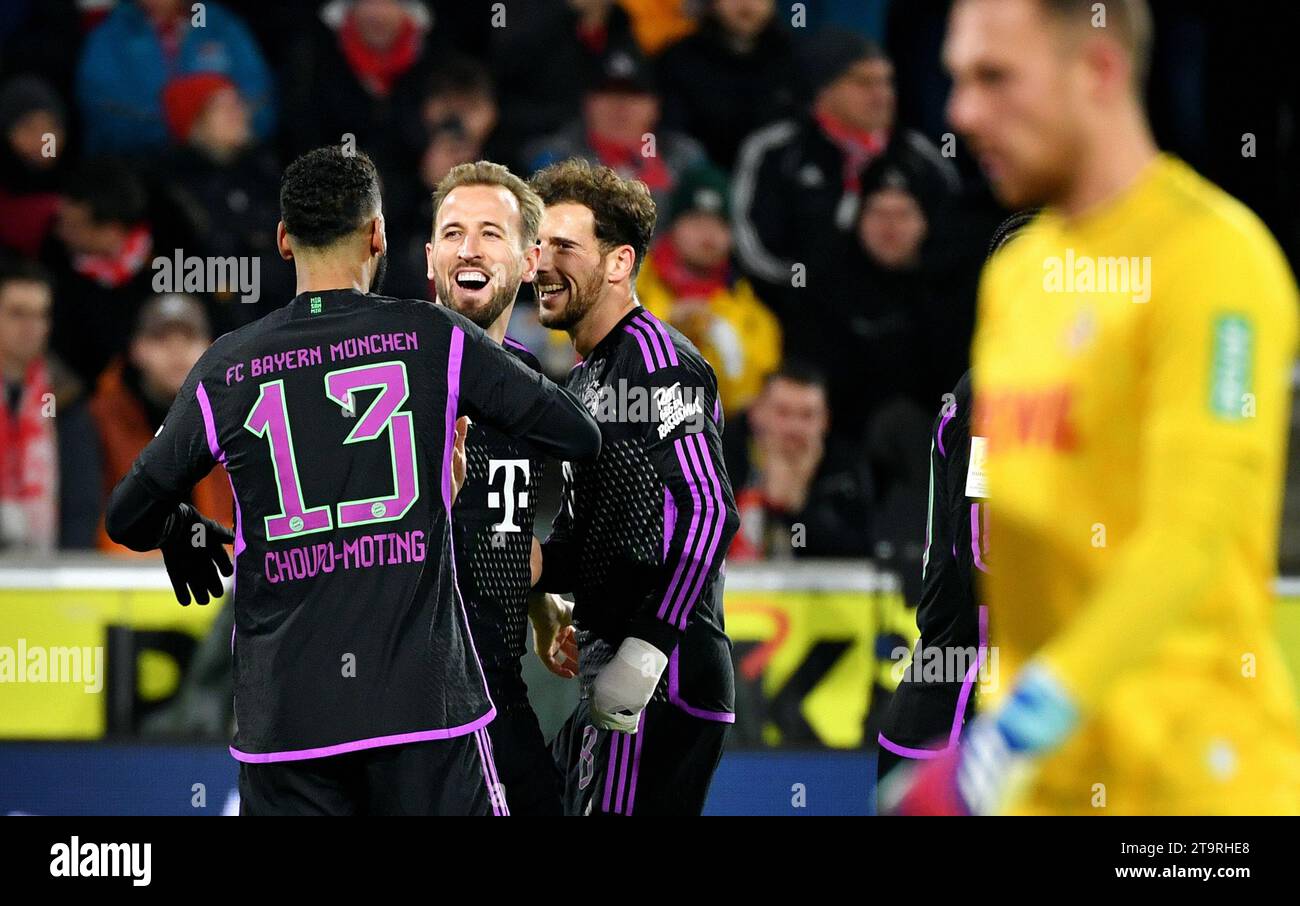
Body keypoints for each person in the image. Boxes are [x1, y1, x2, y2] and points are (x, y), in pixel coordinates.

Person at [889, 0, 1300, 816]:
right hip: (1046, 784)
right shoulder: (1017, 277)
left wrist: (1006, 739)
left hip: (1195, 792)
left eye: (996, 78)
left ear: (1099, 72)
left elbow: (1193, 537)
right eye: (958, 81)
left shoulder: (1215, 258)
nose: (963, 114)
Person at [104, 146, 601, 816]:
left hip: (285, 727)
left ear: (283, 239)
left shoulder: (229, 366)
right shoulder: (432, 337)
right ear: (379, 237)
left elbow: (127, 514)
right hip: (424, 713)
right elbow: (577, 434)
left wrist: (177, 526)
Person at [529, 158, 739, 816]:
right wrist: (549, 589)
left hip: (661, 677)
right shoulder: (586, 379)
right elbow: (593, 533)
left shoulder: (656, 363)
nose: (539, 264)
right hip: (616, 665)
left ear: (619, 263)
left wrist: (646, 649)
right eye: (536, 245)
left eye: (563, 246)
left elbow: (708, 513)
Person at [425, 160, 564, 815]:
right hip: (415, 699)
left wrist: (535, 600)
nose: (468, 248)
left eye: (489, 232)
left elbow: (503, 521)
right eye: (452, 233)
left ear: (530, 259)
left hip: (498, 685)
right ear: (429, 257)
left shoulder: (531, 383)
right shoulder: (393, 373)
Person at [731, 28, 960, 309]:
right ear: (824, 89)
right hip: (799, 321)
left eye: (886, 82)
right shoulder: (776, 152)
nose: (881, 95)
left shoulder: (919, 157)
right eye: (864, 83)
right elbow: (753, 250)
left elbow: (952, 242)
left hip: (903, 322)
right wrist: (815, 291)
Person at [636, 163, 781, 416]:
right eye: (696, 221)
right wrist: (664, 328)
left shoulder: (753, 317)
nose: (708, 235)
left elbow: (743, 406)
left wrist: (715, 342)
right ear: (673, 226)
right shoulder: (625, 281)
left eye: (719, 224)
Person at [91, 293, 232, 553]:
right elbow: (89, 521)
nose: (175, 351)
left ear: (209, 347)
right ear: (137, 348)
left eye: (188, 338)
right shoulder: (102, 417)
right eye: (161, 339)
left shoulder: (231, 417)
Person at [76, 0, 275, 157]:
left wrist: (234, 125)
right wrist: (182, 128)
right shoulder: (112, 32)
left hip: (228, 159)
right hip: (138, 165)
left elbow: (261, 95)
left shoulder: (219, 24)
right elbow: (103, 108)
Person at [722, 363, 873, 561]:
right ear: (756, 413)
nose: (794, 428)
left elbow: (857, 556)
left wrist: (797, 511)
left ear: (825, 420)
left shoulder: (843, 472)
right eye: (782, 413)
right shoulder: (720, 457)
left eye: (807, 415)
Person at [0, 258, 100, 552]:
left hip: (48, 571)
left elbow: (81, 499)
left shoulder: (62, 396)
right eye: (18, 314)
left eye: (41, 315)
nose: (31, 327)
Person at [656, 0, 797, 170]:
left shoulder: (790, 59)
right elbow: (672, 138)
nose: (746, 5)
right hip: (698, 183)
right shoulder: (678, 60)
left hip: (775, 181)